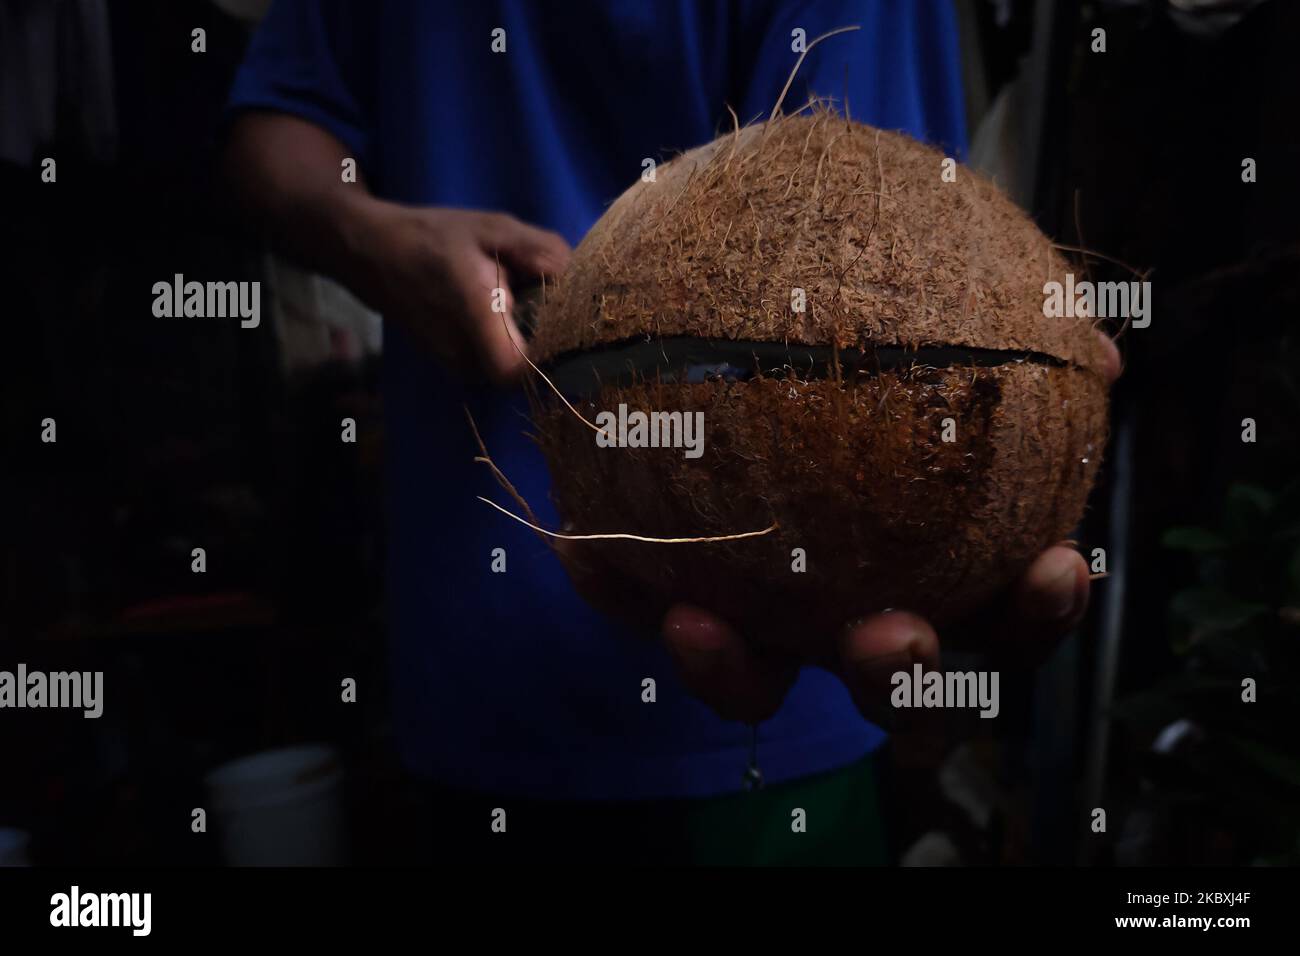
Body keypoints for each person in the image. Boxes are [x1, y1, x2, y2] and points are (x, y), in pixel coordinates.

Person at [223, 0, 1121, 864]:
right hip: (477, 662)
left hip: (764, 712)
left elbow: (867, 236)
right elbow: (276, 126)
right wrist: (366, 232)